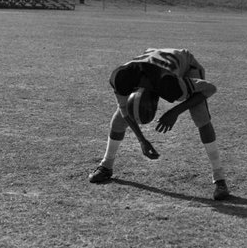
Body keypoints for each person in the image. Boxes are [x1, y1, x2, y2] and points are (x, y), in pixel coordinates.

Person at [88, 48, 230, 201]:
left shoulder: (170, 85)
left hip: (186, 64)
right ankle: (106, 166)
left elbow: (210, 88)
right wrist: (142, 140)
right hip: (153, 63)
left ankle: (220, 179)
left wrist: (174, 112)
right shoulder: (121, 77)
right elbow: (124, 111)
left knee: (201, 116)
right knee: (118, 120)